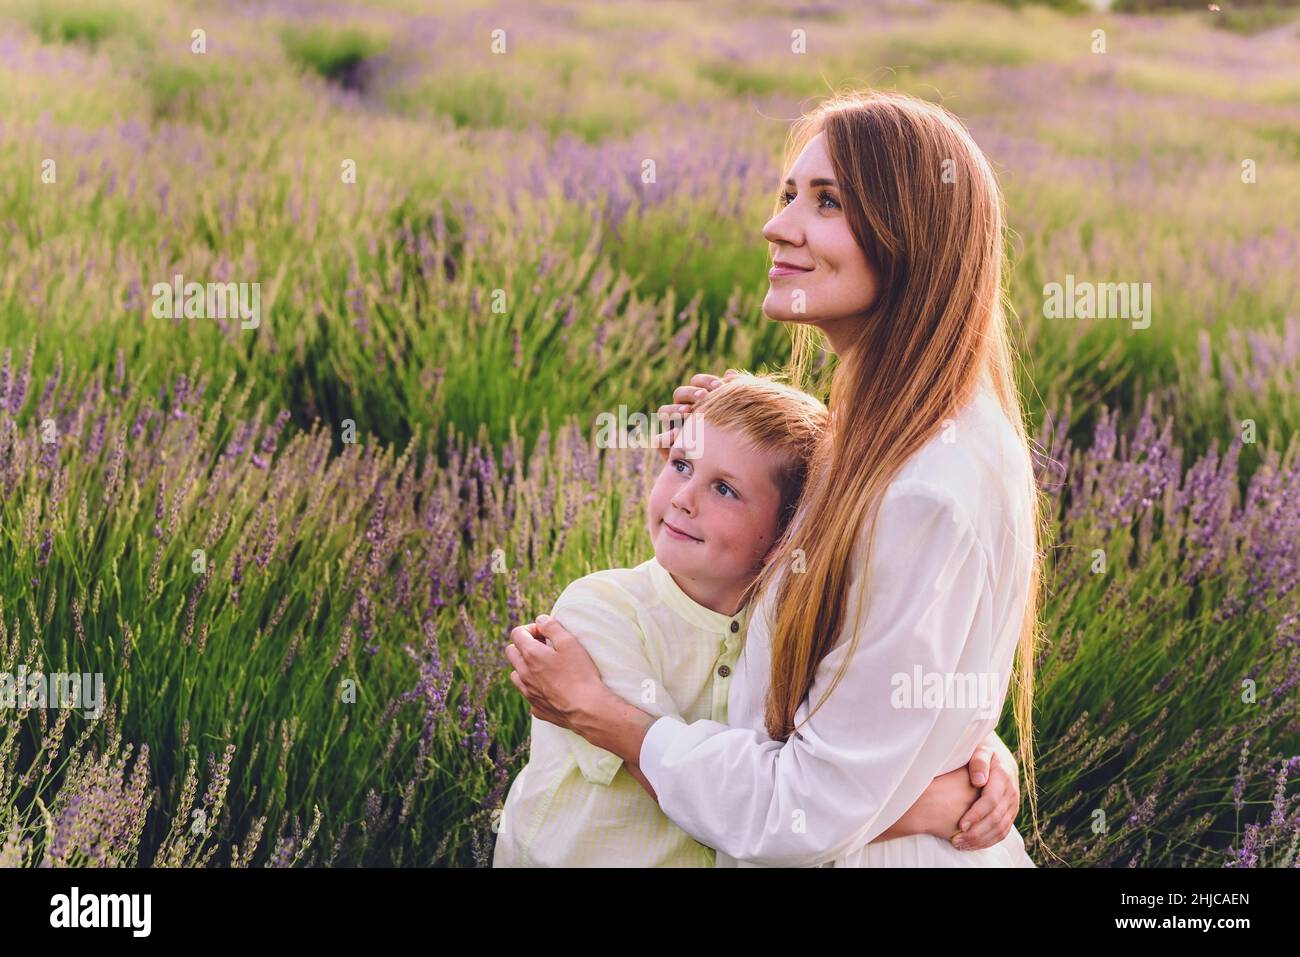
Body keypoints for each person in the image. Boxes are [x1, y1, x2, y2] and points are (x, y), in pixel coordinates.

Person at [507, 89, 1044, 867]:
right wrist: (953, 754)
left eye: (827, 202)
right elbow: (875, 688)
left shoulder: (924, 489)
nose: (777, 225)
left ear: (911, 237)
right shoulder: (904, 434)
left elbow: (804, 814)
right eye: (788, 193)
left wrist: (603, 715)